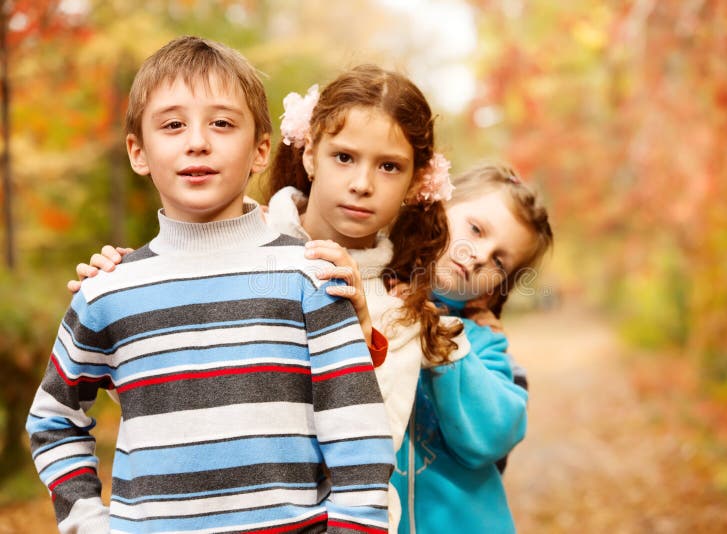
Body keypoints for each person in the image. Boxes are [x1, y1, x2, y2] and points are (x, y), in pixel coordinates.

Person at [66, 64, 469, 532]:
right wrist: (124, 293)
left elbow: (369, 446)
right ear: (311, 152)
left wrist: (360, 343)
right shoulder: (232, 238)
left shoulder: (401, 308)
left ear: (415, 181)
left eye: (388, 166)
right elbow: (165, 397)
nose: (362, 183)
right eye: (344, 157)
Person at [391, 163, 554, 534]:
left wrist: (445, 343)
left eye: (500, 260)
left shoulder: (484, 344)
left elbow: (492, 436)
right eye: (476, 229)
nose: (479, 255)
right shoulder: (371, 298)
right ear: (435, 208)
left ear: (493, 289)